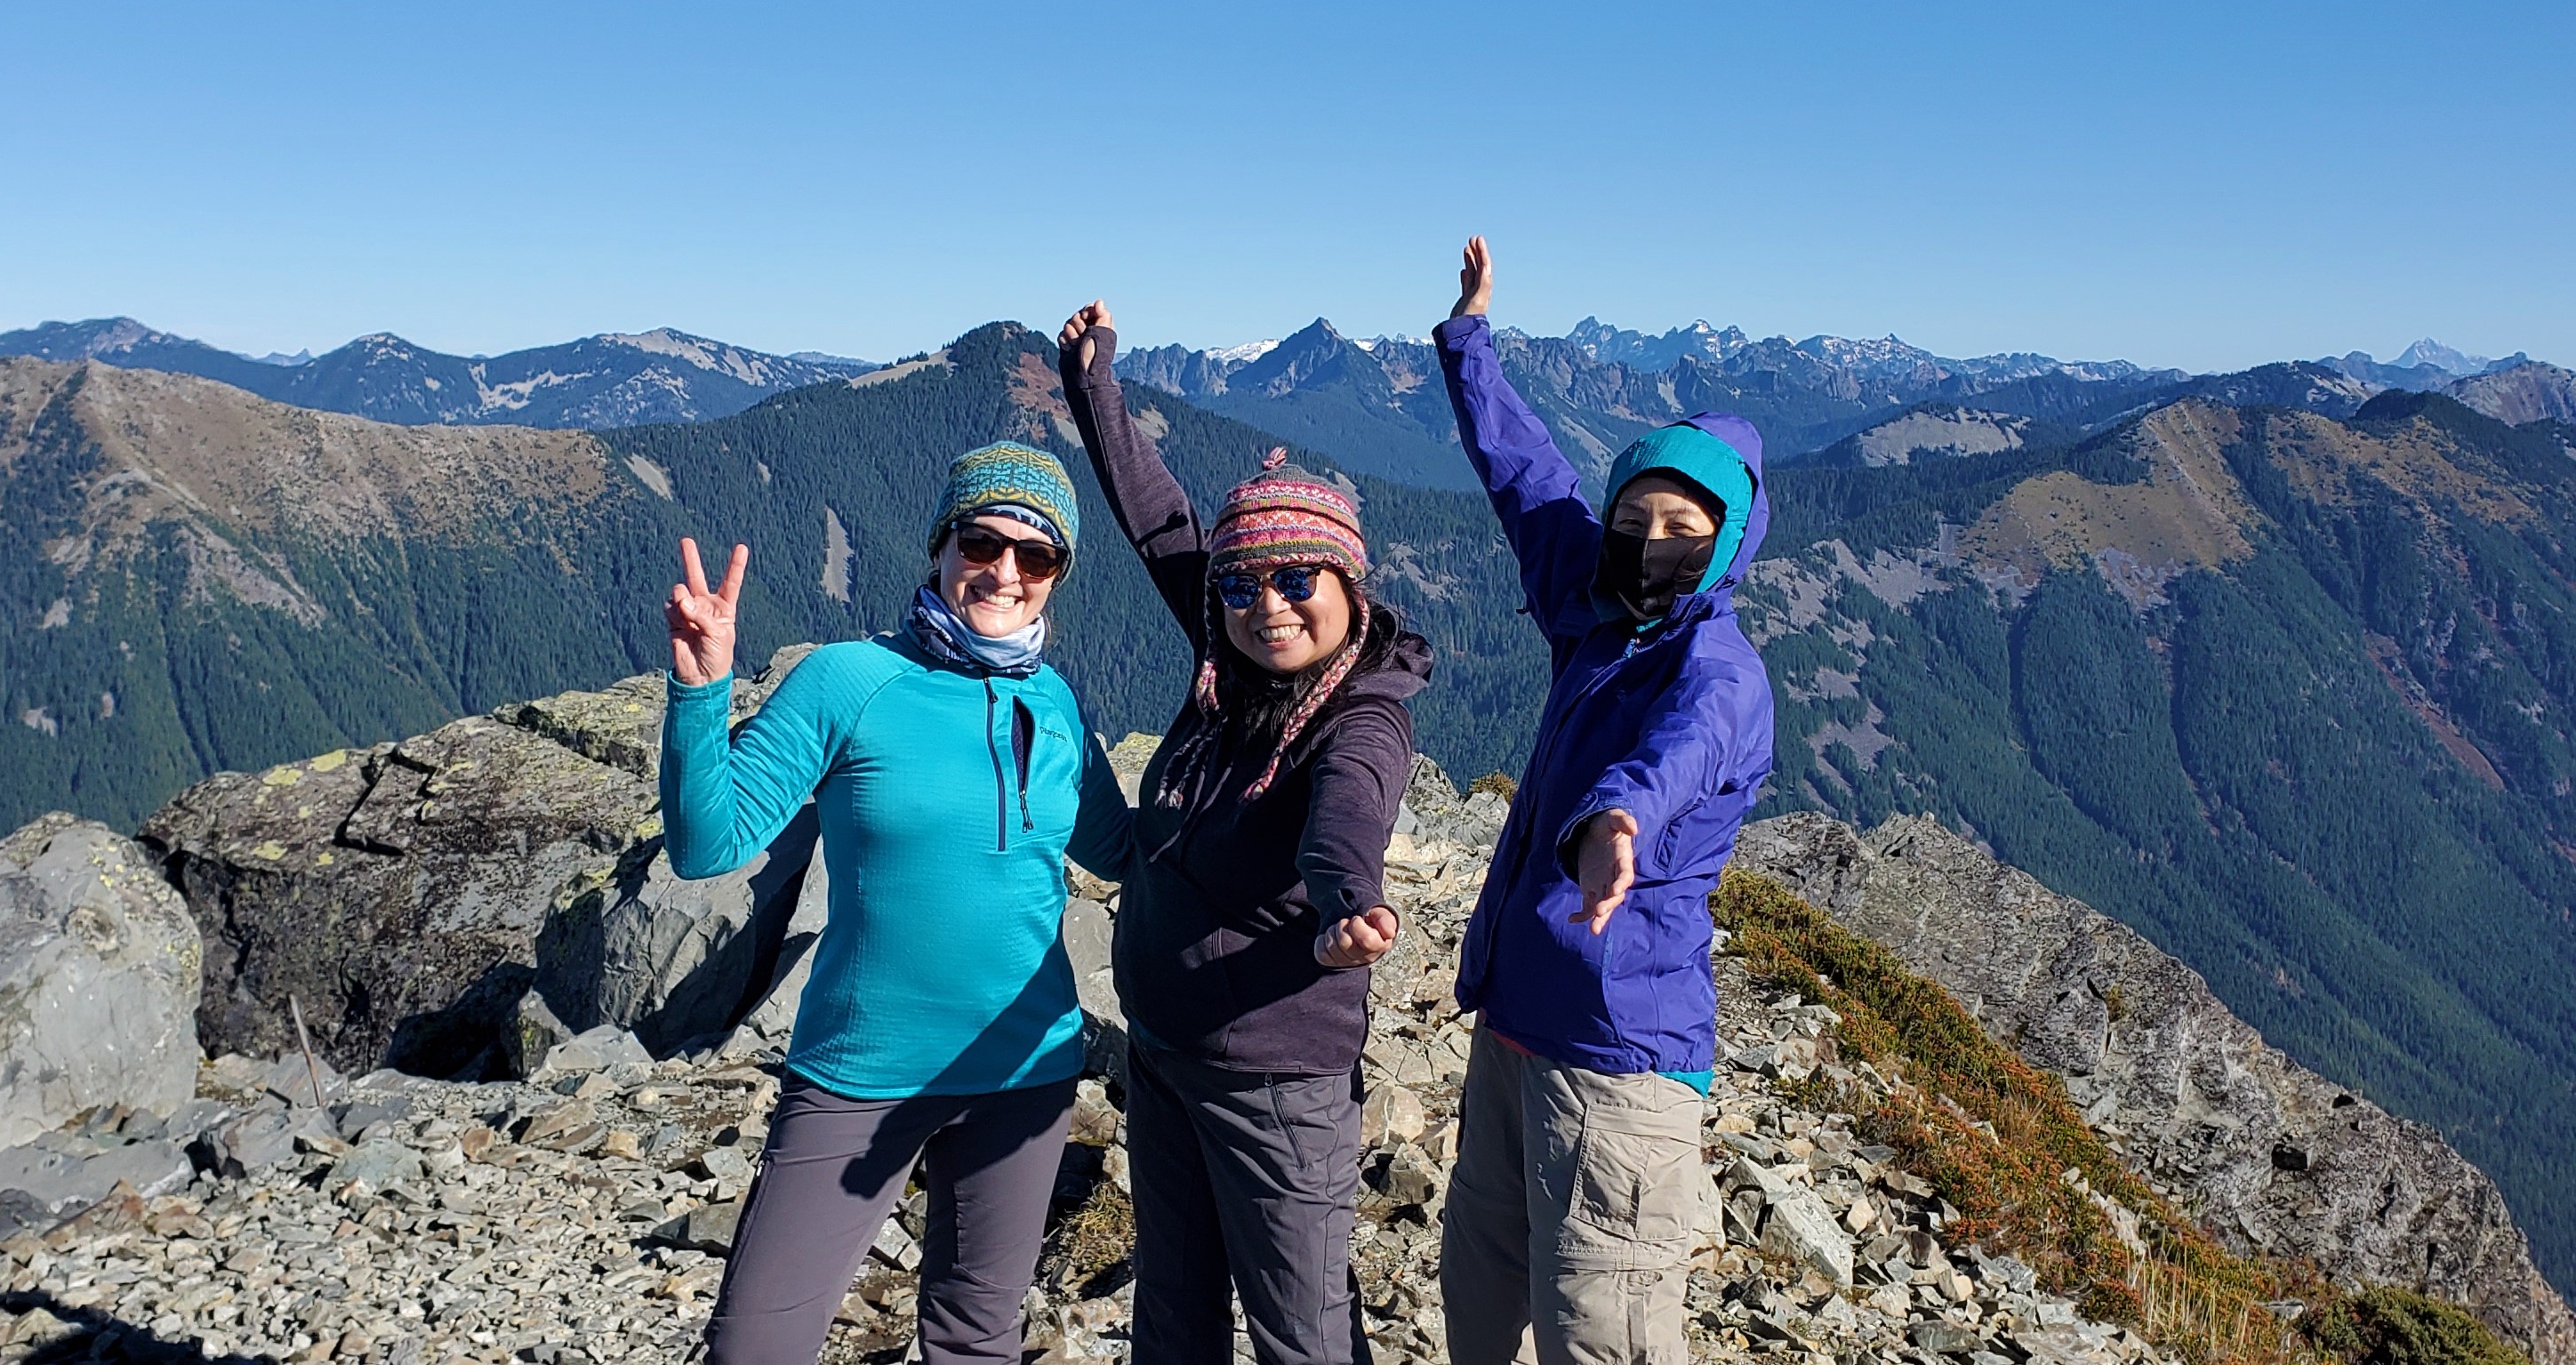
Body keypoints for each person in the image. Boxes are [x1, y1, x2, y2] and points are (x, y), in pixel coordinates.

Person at [658, 441, 1134, 1365]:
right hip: (858, 1070)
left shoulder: (1056, 703)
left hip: (1025, 1070)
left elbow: (1122, 849)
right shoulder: (846, 680)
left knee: (975, 1340)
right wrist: (699, 686)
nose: (1004, 570)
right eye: (981, 541)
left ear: (1057, 575)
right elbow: (705, 843)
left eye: (1034, 556)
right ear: (940, 545)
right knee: (755, 1344)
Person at [1055, 300, 1433, 1365]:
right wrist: (1093, 384)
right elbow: (1162, 525)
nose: (1266, 603)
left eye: (1294, 579)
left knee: (1300, 1334)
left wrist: (1351, 897)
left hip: (1273, 1082)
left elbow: (1345, 814)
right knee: (1171, 1318)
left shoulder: (1361, 713)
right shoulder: (1226, 659)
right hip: (1165, 1053)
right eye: (1240, 582)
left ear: (1346, 584)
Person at [1427, 238, 1776, 1365]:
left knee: (1603, 1335)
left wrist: (1613, 823)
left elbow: (1676, 755)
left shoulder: (1718, 671)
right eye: (1639, 515)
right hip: (1519, 1026)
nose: (1653, 541)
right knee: (1477, 1297)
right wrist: (1469, 338)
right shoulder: (1594, 606)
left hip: (1620, 1056)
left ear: (1724, 544)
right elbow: (1528, 480)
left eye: (1685, 528)